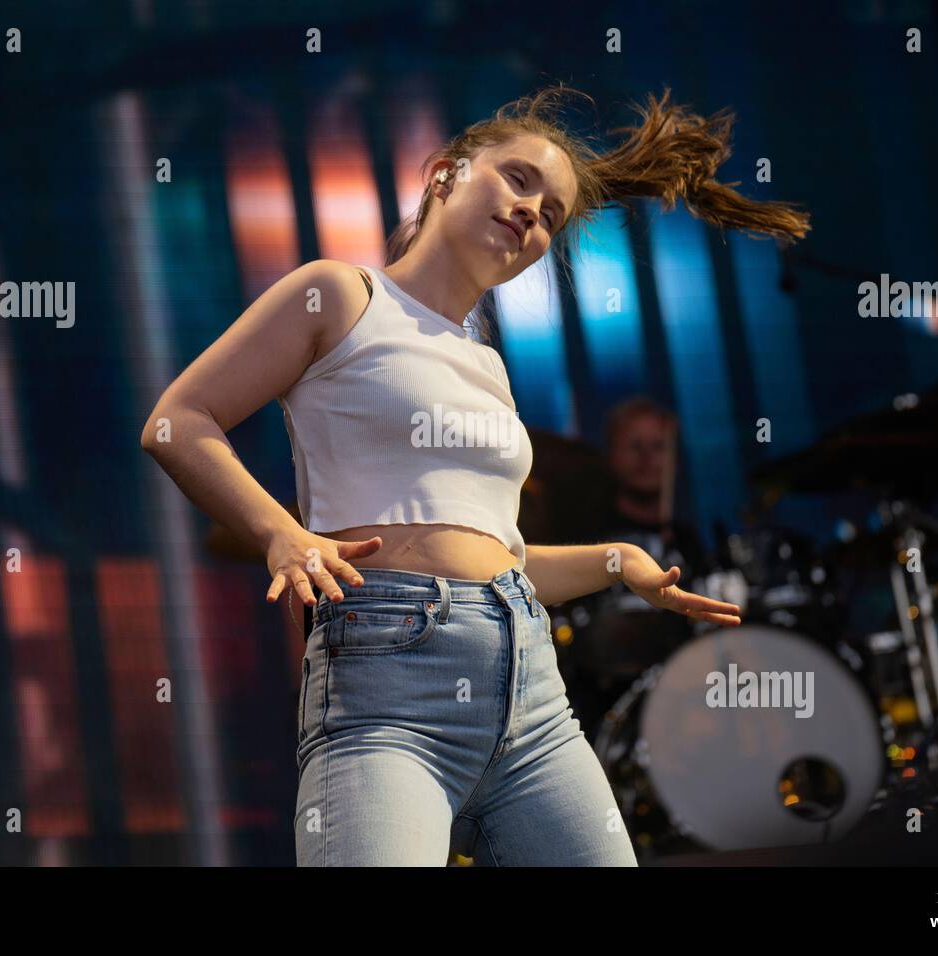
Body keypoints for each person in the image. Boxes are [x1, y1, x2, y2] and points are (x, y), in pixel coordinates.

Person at [141, 83, 808, 866]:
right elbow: (176, 422)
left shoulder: (487, 365)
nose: (533, 213)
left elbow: (498, 558)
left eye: (551, 213)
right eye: (518, 179)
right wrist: (281, 534)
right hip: (387, 692)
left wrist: (615, 562)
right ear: (446, 174)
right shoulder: (341, 295)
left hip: (531, 693)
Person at [558, 397, 717, 743]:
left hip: (683, 690)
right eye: (634, 446)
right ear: (611, 453)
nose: (647, 458)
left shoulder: (685, 538)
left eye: (658, 447)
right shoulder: (588, 535)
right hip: (602, 685)